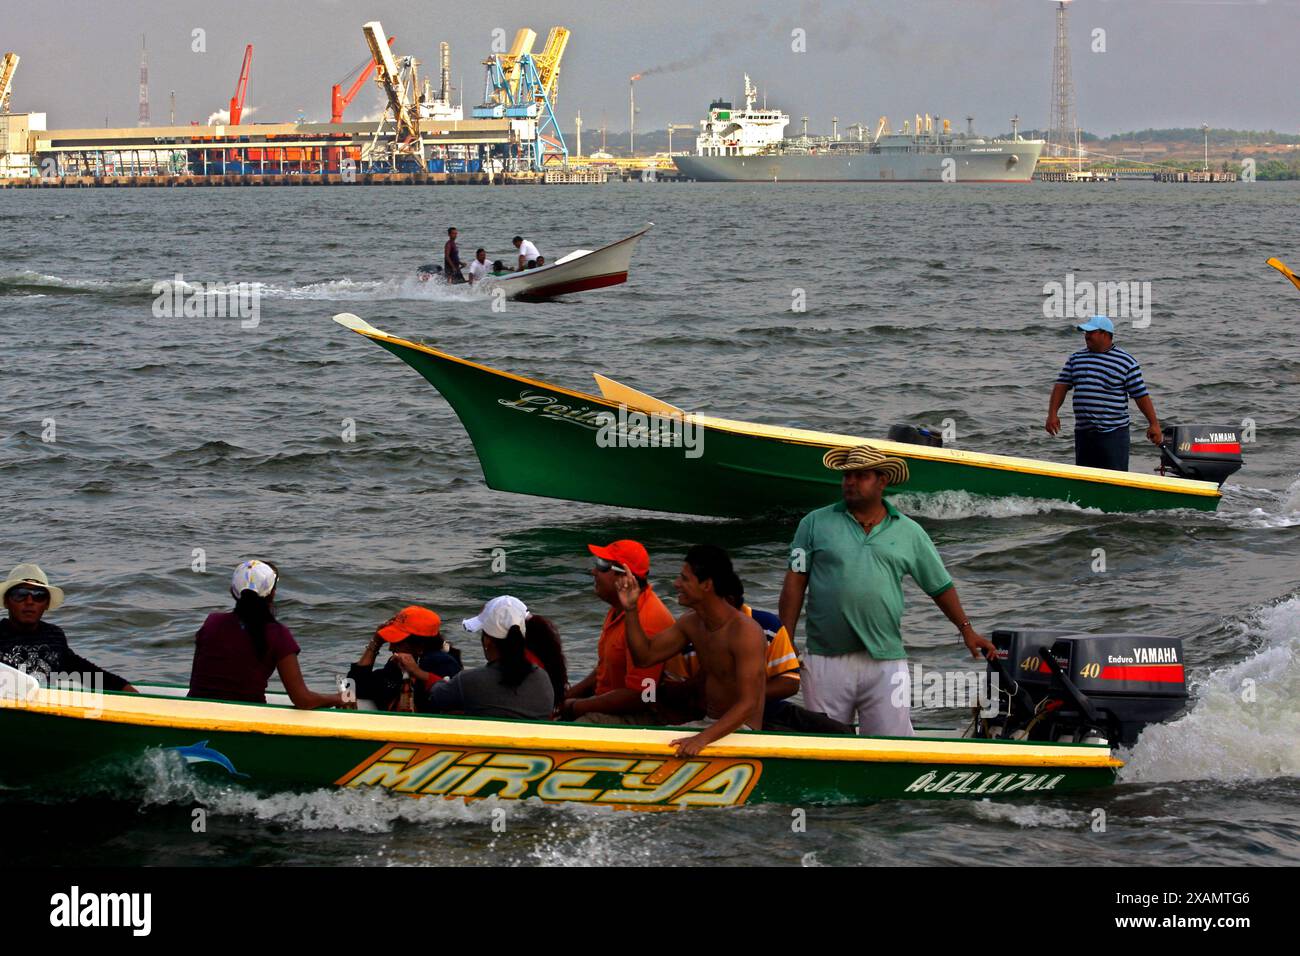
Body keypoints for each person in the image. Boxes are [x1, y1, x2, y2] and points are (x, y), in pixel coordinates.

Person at [779, 447, 996, 737]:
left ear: (882, 481)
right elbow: (795, 582)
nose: (850, 482)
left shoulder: (909, 531)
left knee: (890, 746)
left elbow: (939, 586)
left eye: (861, 475)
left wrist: (966, 629)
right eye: (847, 475)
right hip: (824, 660)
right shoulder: (814, 524)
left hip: (886, 661)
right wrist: (786, 640)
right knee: (827, 745)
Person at [618, 545, 766, 757]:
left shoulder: (745, 632)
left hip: (743, 732)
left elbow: (749, 703)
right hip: (708, 725)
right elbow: (645, 657)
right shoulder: (691, 622)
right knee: (649, 742)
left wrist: (701, 739)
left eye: (684, 579)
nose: (676, 584)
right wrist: (631, 609)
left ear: (707, 585)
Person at [188, 560, 344, 709]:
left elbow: (196, 682)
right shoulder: (278, 634)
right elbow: (303, 700)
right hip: (247, 719)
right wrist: (339, 698)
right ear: (273, 593)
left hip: (196, 712)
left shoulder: (212, 622)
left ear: (233, 592)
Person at [560, 540, 677, 724]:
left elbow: (641, 697)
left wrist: (576, 706)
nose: (594, 571)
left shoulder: (645, 621)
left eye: (602, 565)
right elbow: (606, 666)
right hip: (611, 705)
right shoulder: (620, 607)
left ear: (625, 576)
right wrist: (566, 697)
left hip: (640, 715)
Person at [1046, 315, 1162, 472]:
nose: (1086, 336)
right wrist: (1052, 414)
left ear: (1105, 334)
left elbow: (1140, 396)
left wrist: (1153, 424)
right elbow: (1061, 386)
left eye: (1091, 332)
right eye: (1085, 333)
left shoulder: (1126, 362)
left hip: (1113, 434)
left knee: (1114, 481)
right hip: (1084, 433)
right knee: (1085, 482)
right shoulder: (1076, 359)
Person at [0, 563, 136, 693]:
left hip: (47, 708)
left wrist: (124, 688)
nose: (29, 601)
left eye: (38, 595)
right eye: (20, 594)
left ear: (46, 604)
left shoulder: (54, 636)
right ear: (6, 601)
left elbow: (82, 669)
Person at [422, 596, 554, 720]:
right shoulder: (542, 678)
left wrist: (431, 677)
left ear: (487, 641)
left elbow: (436, 698)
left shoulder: (470, 681)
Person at [347, 606, 462, 712]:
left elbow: (456, 698)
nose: (391, 647)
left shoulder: (442, 663)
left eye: (397, 641)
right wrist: (375, 643)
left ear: (419, 646)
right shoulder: (398, 664)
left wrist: (418, 673)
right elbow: (354, 689)